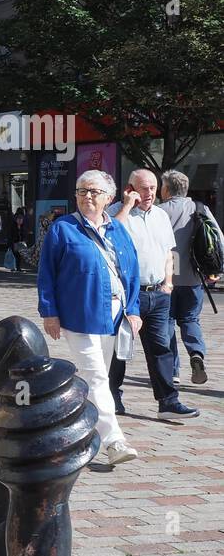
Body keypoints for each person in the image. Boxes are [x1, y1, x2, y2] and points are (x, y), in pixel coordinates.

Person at [37, 169, 142, 465]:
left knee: (98, 378)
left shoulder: (119, 230)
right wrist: (50, 312)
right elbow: (47, 273)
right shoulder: (63, 228)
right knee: (95, 375)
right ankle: (114, 441)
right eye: (82, 191)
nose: (87, 197)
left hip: (114, 314)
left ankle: (76, 428)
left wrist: (133, 310)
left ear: (109, 198)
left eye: (94, 192)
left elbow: (131, 272)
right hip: (78, 313)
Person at [109, 168, 198, 420]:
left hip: (158, 293)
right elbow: (111, 235)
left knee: (162, 348)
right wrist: (127, 206)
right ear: (130, 189)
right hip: (128, 294)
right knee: (119, 348)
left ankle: (168, 402)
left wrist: (168, 283)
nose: (149, 193)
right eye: (143, 188)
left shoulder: (160, 215)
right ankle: (112, 396)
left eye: (152, 188)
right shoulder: (117, 212)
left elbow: (169, 253)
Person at [160, 169, 218, 386]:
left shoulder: (157, 211)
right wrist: (213, 269)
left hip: (164, 279)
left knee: (165, 322)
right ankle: (196, 353)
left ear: (166, 189)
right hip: (193, 277)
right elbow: (218, 238)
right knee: (190, 320)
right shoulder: (199, 208)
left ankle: (171, 370)